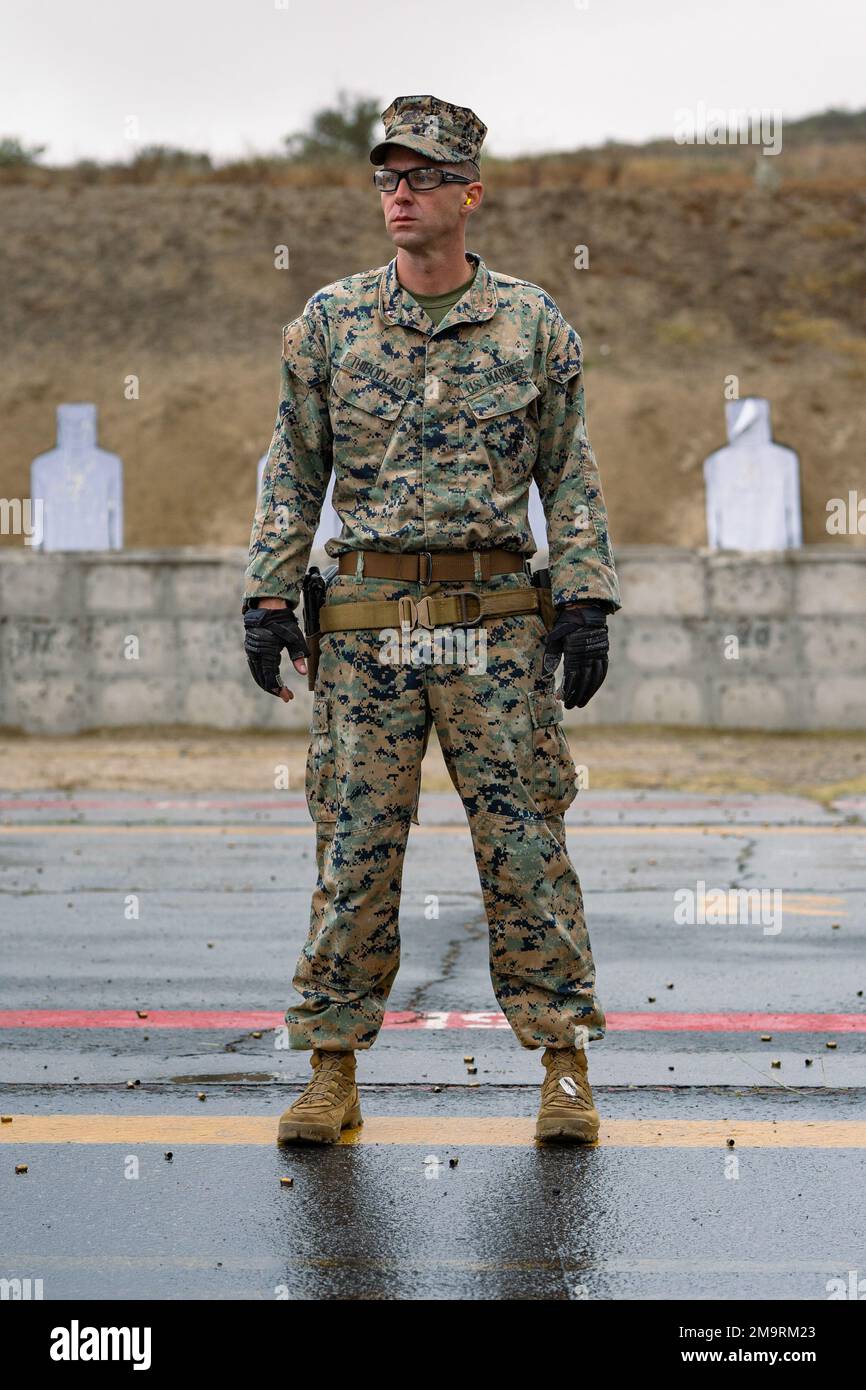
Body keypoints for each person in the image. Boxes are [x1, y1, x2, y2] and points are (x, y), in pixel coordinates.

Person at [241, 94, 621, 1147]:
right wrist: (267, 595)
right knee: (354, 848)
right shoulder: (328, 321)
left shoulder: (533, 322)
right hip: (364, 629)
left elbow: (569, 472)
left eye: (420, 177)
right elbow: (294, 471)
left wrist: (585, 595)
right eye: (386, 178)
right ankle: (329, 1071)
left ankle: (562, 1067)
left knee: (524, 844)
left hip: (495, 625)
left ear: (469, 192)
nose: (398, 194)